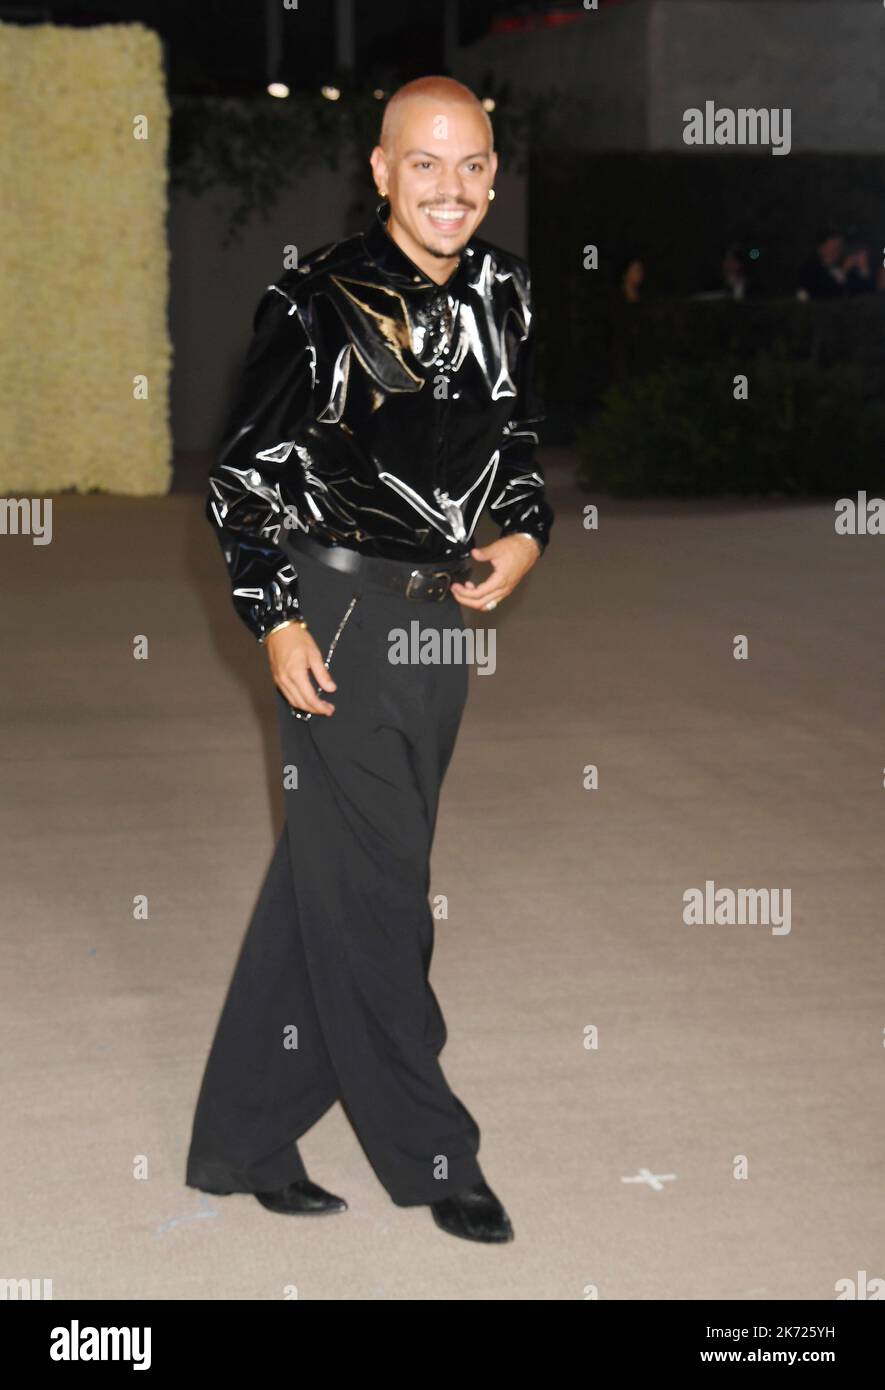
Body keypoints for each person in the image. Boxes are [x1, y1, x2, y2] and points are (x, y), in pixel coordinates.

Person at [184, 75, 554, 1245]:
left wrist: (527, 537)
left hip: (440, 622)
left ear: (493, 173)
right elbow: (242, 476)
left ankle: (240, 1136)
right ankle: (434, 1149)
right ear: (382, 171)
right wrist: (274, 617)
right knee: (387, 898)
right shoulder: (315, 301)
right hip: (336, 623)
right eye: (425, 163)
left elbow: (520, 452)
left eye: (473, 164)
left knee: (328, 887)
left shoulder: (507, 292)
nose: (452, 187)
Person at [798, 229, 845, 300]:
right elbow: (825, 293)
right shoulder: (810, 268)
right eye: (833, 247)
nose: (837, 251)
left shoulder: (841, 265)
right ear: (821, 248)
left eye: (839, 247)